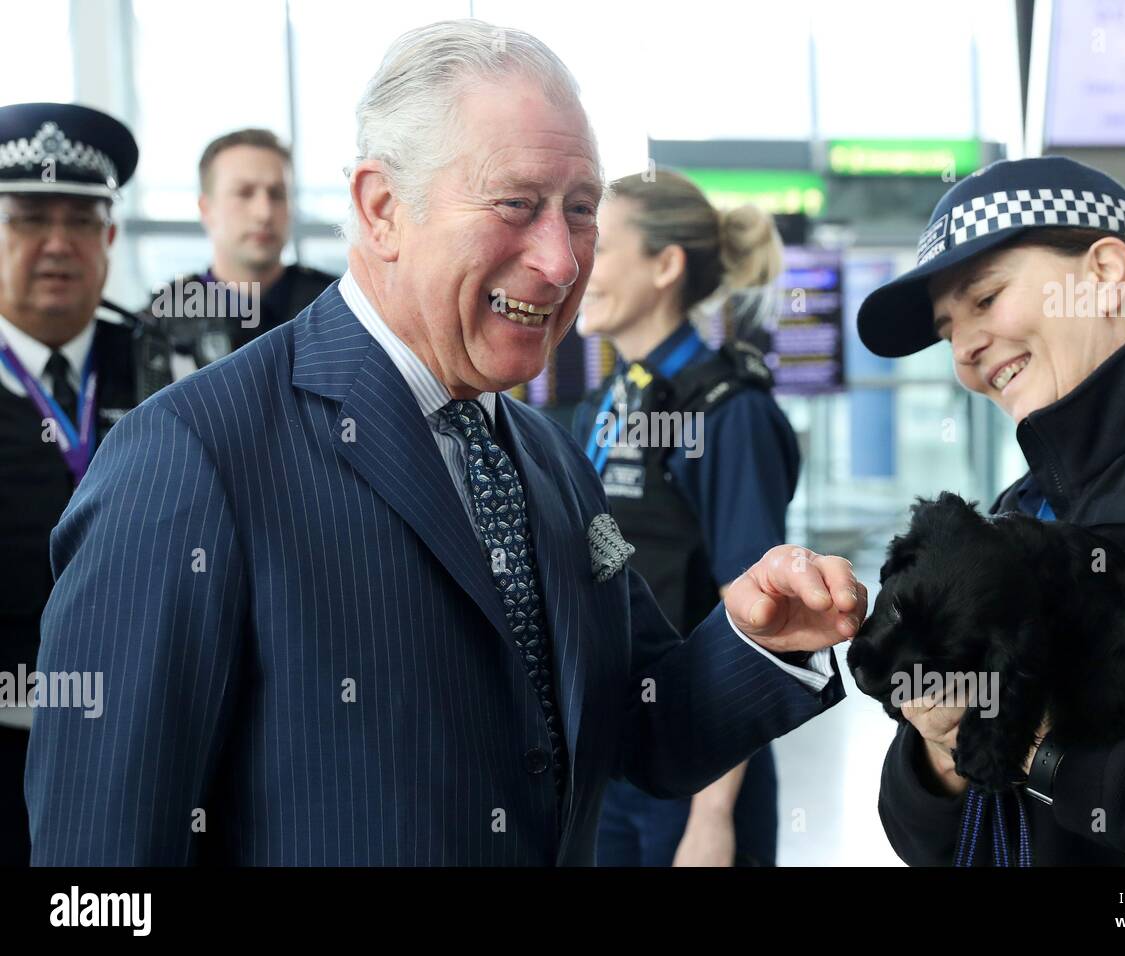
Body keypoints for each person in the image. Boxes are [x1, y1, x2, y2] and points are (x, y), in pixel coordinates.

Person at [24, 20, 865, 866]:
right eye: (516, 204)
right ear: (381, 207)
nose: (563, 261)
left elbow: (638, 725)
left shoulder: (545, 459)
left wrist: (760, 643)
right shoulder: (194, 458)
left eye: (581, 211)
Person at [858, 156, 1125, 865]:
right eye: (947, 331)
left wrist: (1042, 753)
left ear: (1103, 273)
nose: (965, 350)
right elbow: (927, 834)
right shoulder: (1020, 506)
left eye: (985, 298)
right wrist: (943, 751)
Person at [572, 171, 797, 866]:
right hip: (610, 761)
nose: (577, 262)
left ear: (665, 266)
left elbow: (757, 621)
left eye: (600, 245)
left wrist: (711, 816)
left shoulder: (728, 412)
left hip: (698, 768)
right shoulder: (602, 405)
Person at [0, 102, 169, 866]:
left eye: (83, 219)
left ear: (110, 237)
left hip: (153, 749)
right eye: (30, 219)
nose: (58, 244)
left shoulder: (173, 370)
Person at [153, 128, 335, 370]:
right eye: (244, 193)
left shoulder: (333, 306)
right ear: (206, 209)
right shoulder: (164, 317)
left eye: (277, 194)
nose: (264, 213)